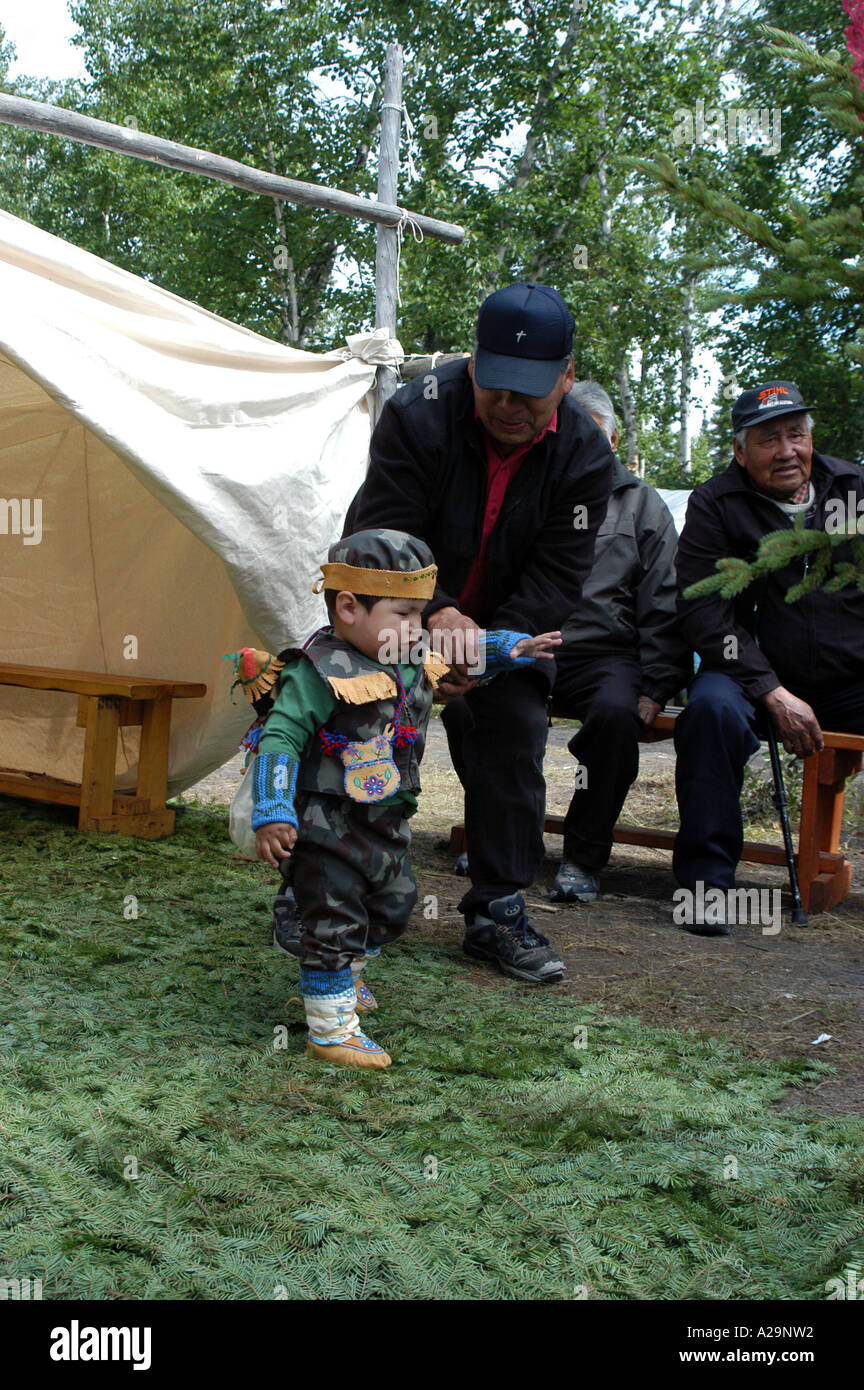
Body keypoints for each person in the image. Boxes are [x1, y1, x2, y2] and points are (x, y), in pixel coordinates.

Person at [344, 282, 614, 983]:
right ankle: (354, 891)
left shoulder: (586, 455)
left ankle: (496, 907)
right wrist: (434, 612)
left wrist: (492, 649)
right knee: (364, 725)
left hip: (509, 629)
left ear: (567, 376)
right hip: (395, 612)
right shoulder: (417, 415)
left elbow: (559, 577)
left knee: (516, 724)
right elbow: (378, 535)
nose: (510, 405)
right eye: (495, 384)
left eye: (530, 390)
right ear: (472, 365)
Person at [248, 527, 560, 1069]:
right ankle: (329, 1025)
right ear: (348, 607)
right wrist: (272, 811)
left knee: (393, 903)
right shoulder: (316, 668)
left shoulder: (403, 654)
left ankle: (343, 973)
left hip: (385, 818)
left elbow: (457, 653)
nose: (417, 629)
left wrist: (511, 647)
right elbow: (280, 737)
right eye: (404, 614)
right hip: (325, 823)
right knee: (334, 916)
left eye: (420, 615)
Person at [673, 380, 864, 935]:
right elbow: (704, 612)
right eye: (767, 439)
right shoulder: (716, 503)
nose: (786, 451)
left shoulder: (853, 487)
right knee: (708, 712)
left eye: (795, 435)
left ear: (811, 438)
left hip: (850, 674)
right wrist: (770, 690)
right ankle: (706, 886)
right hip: (751, 676)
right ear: (739, 451)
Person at [545, 382, 689, 903]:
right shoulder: (535, 493)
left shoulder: (641, 504)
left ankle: (583, 856)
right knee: (481, 712)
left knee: (614, 716)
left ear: (612, 439)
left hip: (606, 656)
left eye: (594, 436)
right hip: (534, 645)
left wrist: (657, 684)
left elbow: (664, 600)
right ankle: (503, 838)